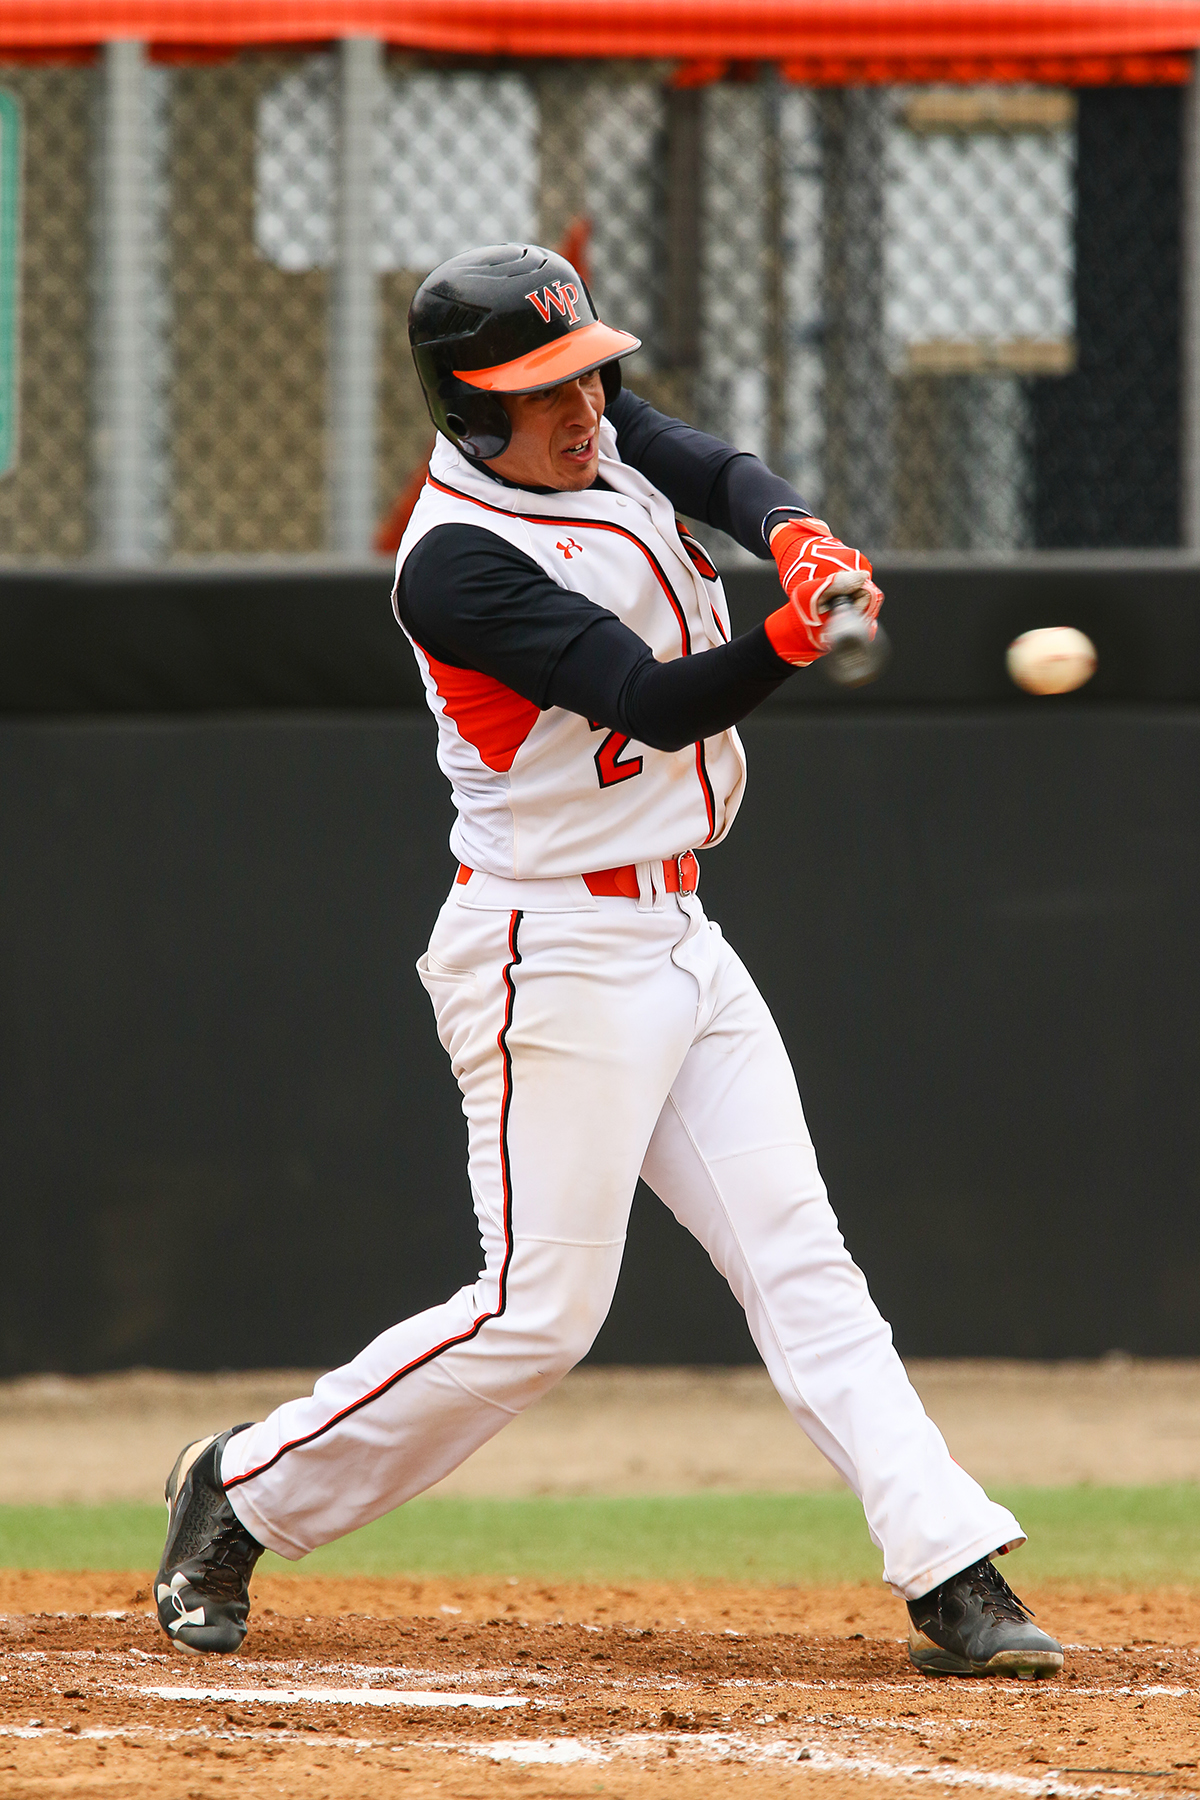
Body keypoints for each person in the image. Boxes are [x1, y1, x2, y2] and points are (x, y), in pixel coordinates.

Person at [154, 243, 1062, 1681]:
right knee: (538, 1316)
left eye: (587, 375)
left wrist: (798, 532)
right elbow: (648, 698)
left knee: (802, 1262)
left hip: (678, 929)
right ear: (468, 406)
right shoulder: (457, 562)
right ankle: (243, 1487)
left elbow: (717, 467)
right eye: (543, 390)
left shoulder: (596, 433)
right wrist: (789, 633)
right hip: (551, 948)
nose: (584, 408)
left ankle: (952, 1568)